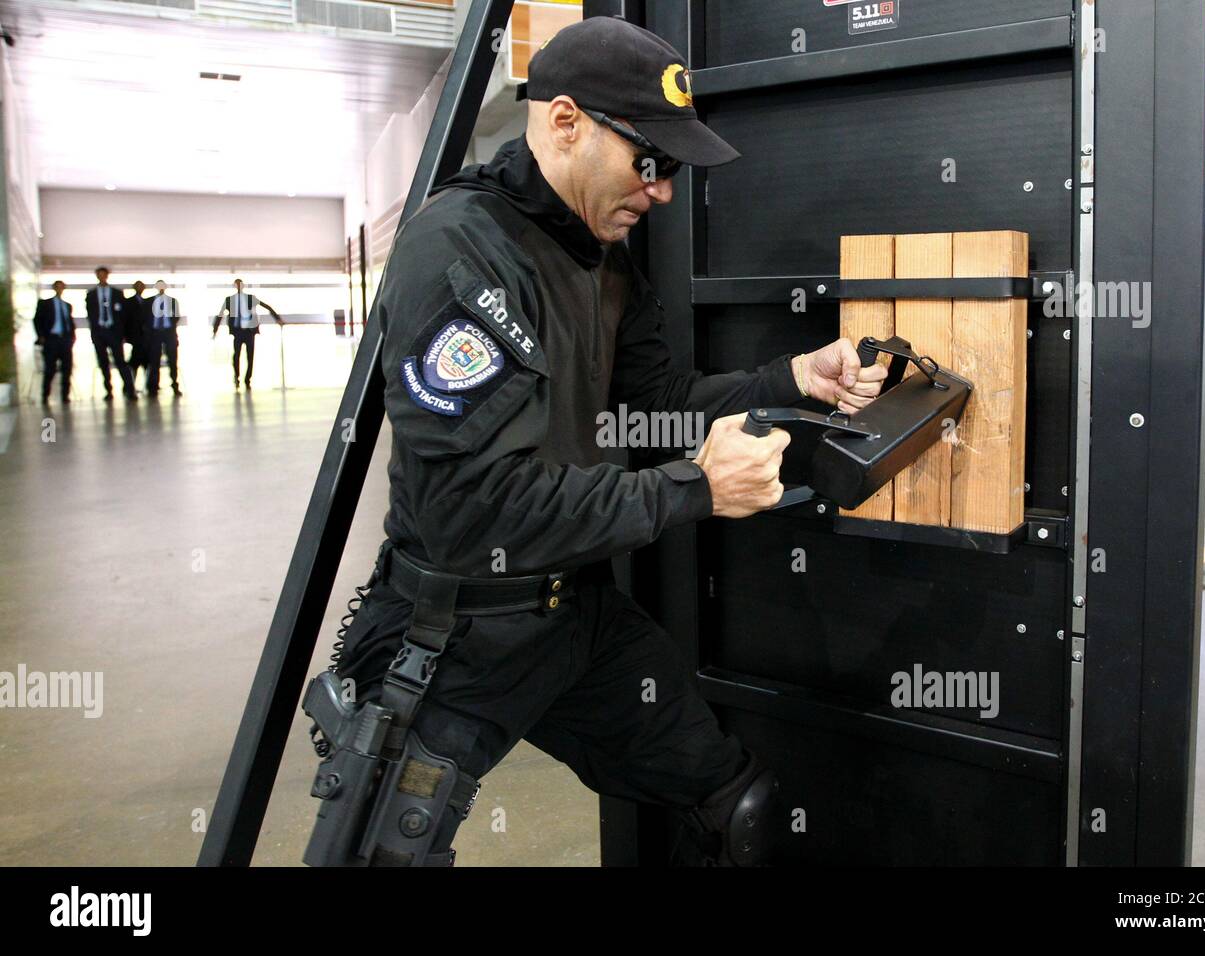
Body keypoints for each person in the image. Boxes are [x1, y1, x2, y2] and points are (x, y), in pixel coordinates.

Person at [328, 16, 885, 867]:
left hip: (573, 617)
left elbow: (656, 404)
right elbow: (478, 508)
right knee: (382, 851)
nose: (661, 190)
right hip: (457, 636)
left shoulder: (601, 256)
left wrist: (792, 380)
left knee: (739, 808)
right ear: (564, 123)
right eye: (648, 161)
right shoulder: (458, 250)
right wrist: (694, 490)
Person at [212, 278, 282, 389]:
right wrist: (215, 330)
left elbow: (266, 306)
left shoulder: (251, 298)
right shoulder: (229, 300)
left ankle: (247, 380)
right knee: (236, 356)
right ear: (235, 286)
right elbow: (220, 315)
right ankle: (237, 377)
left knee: (250, 357)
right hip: (237, 331)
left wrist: (277, 318)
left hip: (249, 331)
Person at [84, 266, 137, 402]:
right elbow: (90, 314)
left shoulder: (117, 293)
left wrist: (122, 332)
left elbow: (124, 315)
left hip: (114, 332)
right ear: (97, 276)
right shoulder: (91, 295)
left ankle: (130, 389)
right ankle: (108, 390)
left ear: (107, 276)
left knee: (120, 361)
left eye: (104, 275)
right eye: (99, 275)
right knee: (103, 362)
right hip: (99, 332)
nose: (102, 277)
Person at [33, 280, 75, 405]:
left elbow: (69, 321)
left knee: (67, 368)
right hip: (51, 339)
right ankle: (45, 395)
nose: (59, 289)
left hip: (65, 340)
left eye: (61, 287)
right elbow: (37, 320)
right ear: (54, 288)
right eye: (57, 287)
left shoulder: (67, 305)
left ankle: (65, 395)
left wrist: (72, 337)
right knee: (50, 369)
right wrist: (41, 336)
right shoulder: (45, 303)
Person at [145, 280, 183, 398]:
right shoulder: (149, 302)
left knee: (172, 360)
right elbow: (145, 318)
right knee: (154, 361)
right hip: (155, 334)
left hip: (169, 333)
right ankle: (154, 386)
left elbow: (176, 316)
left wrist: (170, 325)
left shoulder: (172, 301)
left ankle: (174, 384)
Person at [125, 280, 152, 386]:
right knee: (134, 363)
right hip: (135, 338)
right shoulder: (128, 302)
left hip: (146, 338)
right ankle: (130, 385)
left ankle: (149, 385)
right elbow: (125, 320)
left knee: (147, 362)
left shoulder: (148, 303)